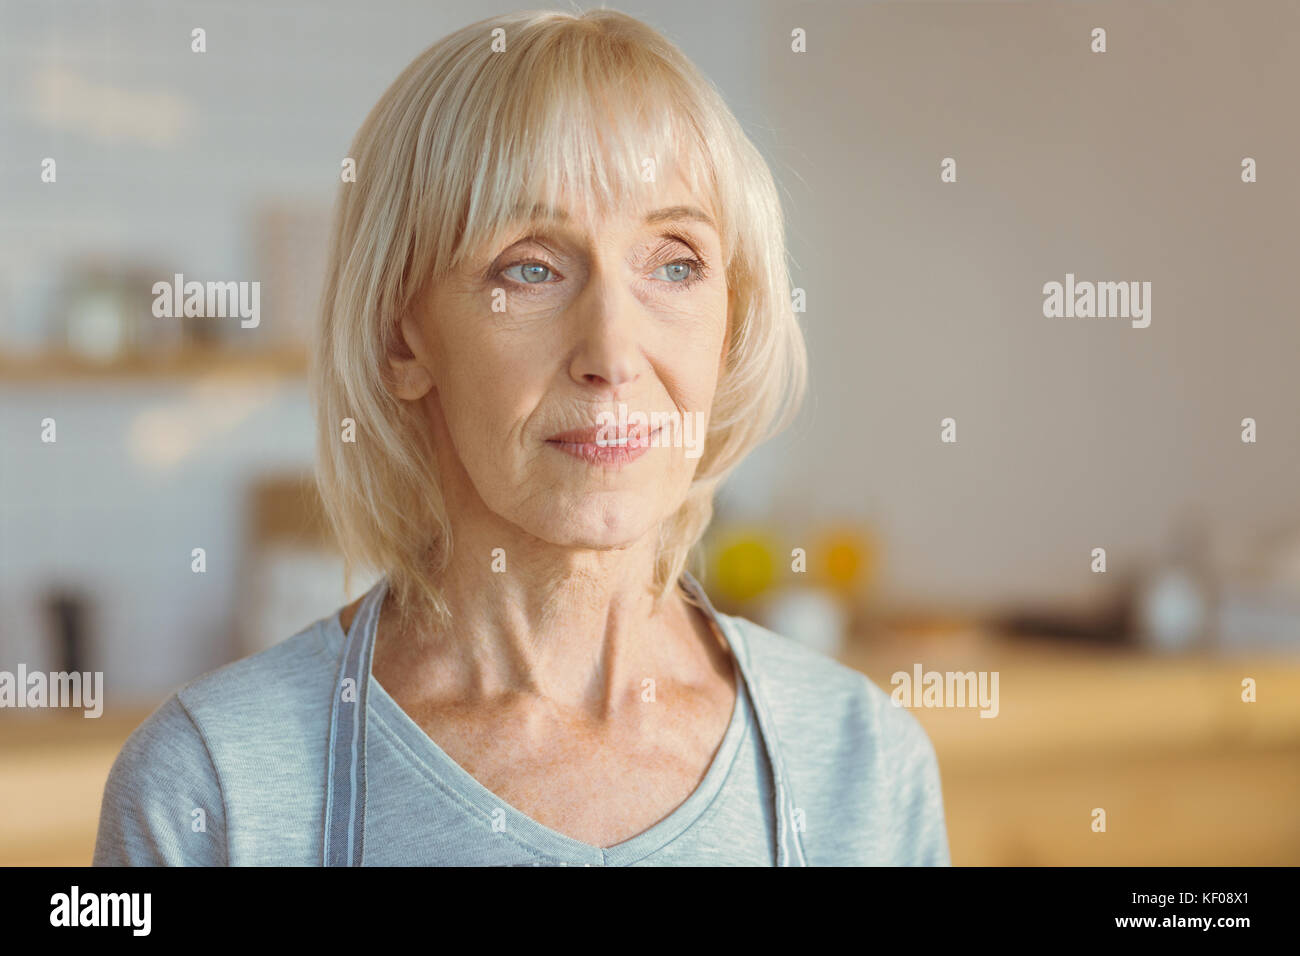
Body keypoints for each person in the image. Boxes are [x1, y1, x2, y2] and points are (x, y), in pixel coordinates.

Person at [93, 8, 949, 866]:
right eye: (530, 268)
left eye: (676, 262)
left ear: (733, 322)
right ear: (403, 339)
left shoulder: (862, 765)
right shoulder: (214, 789)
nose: (613, 353)